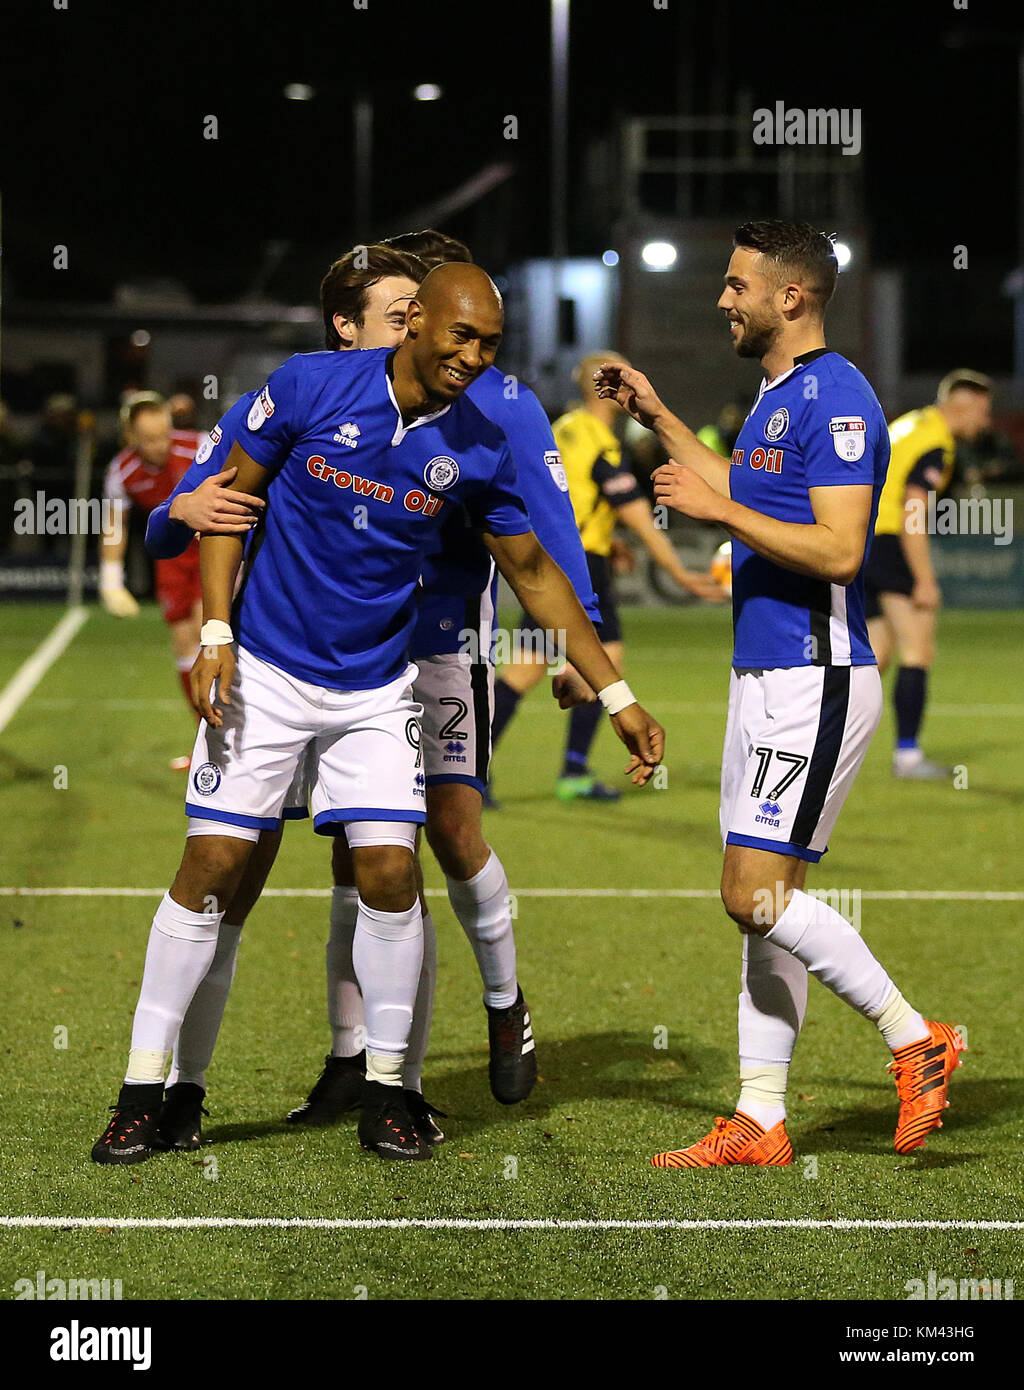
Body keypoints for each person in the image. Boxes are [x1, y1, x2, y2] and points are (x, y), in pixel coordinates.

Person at [92, 262, 663, 1167]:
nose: (473, 357)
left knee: (391, 873)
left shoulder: (480, 440)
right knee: (212, 867)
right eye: (458, 336)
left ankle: (391, 1091)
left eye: (489, 344)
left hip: (379, 688)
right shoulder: (308, 386)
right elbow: (226, 505)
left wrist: (617, 692)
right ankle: (144, 1092)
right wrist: (213, 632)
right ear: (413, 322)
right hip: (269, 676)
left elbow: (534, 568)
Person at [595, 219, 964, 1168]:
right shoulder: (776, 394)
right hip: (766, 678)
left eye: (736, 286)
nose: (723, 300)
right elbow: (739, 489)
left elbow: (843, 550)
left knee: (752, 895)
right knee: (770, 898)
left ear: (789, 296)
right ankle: (760, 1119)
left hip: (816, 677)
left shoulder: (837, 394)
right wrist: (659, 416)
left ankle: (914, 1038)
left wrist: (718, 511)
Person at [490, 350, 720, 803]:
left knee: (535, 667)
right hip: (575, 569)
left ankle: (485, 770)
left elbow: (563, 498)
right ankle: (551, 771)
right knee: (589, 666)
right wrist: (681, 575)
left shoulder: (563, 429)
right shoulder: (598, 441)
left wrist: (605, 541)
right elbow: (637, 514)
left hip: (553, 558)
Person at [865, 370, 993, 779]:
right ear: (963, 405)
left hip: (861, 539)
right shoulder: (936, 442)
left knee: (872, 658)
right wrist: (924, 577)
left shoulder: (908, 425)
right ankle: (908, 757)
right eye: (983, 411)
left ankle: (815, 739)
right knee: (918, 647)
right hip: (888, 541)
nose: (985, 422)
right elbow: (913, 511)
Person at [100, 395, 202, 769]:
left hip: (212, 548)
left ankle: (231, 742)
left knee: (209, 634)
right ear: (132, 436)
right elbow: (116, 524)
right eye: (149, 439)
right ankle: (204, 738)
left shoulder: (201, 445)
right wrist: (112, 579)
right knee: (183, 646)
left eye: (163, 436)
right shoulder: (122, 469)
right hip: (170, 557)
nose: (159, 446)